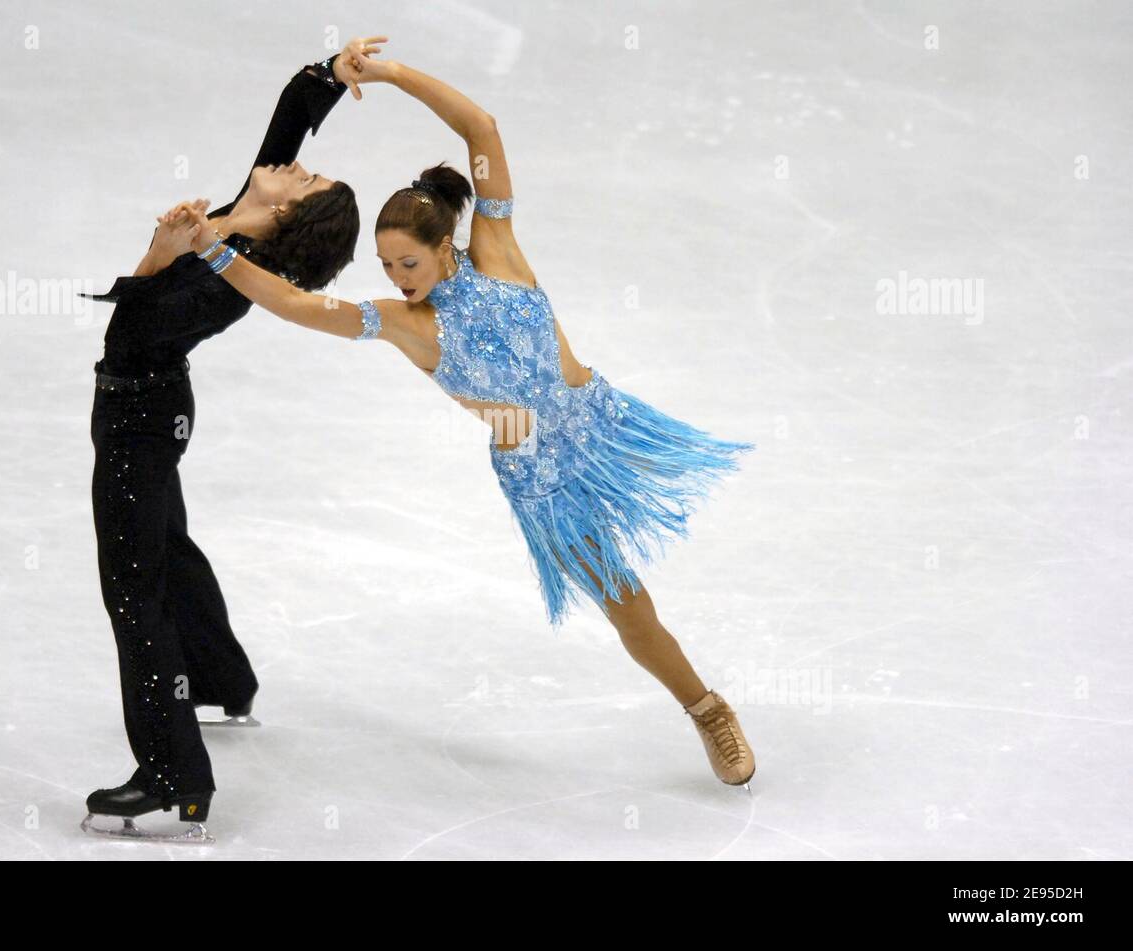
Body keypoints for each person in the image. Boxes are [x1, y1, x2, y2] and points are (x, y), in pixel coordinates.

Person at [177, 50, 758, 788]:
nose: (396, 280)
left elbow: (481, 130)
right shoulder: (402, 324)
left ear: (442, 245)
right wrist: (213, 248)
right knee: (627, 606)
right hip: (540, 476)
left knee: (705, 514)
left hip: (601, 423)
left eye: (405, 264)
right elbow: (296, 305)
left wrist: (387, 76)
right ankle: (707, 709)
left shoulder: (498, 248)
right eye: (385, 268)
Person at [79, 37, 382, 841]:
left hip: (140, 422)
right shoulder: (255, 210)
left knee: (133, 591)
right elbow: (290, 120)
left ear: (287, 213)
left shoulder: (231, 272)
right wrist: (331, 74)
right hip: (149, 409)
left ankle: (175, 778)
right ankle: (221, 677)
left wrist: (162, 249)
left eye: (302, 177)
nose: (288, 166)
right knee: (166, 549)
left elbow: (133, 322)